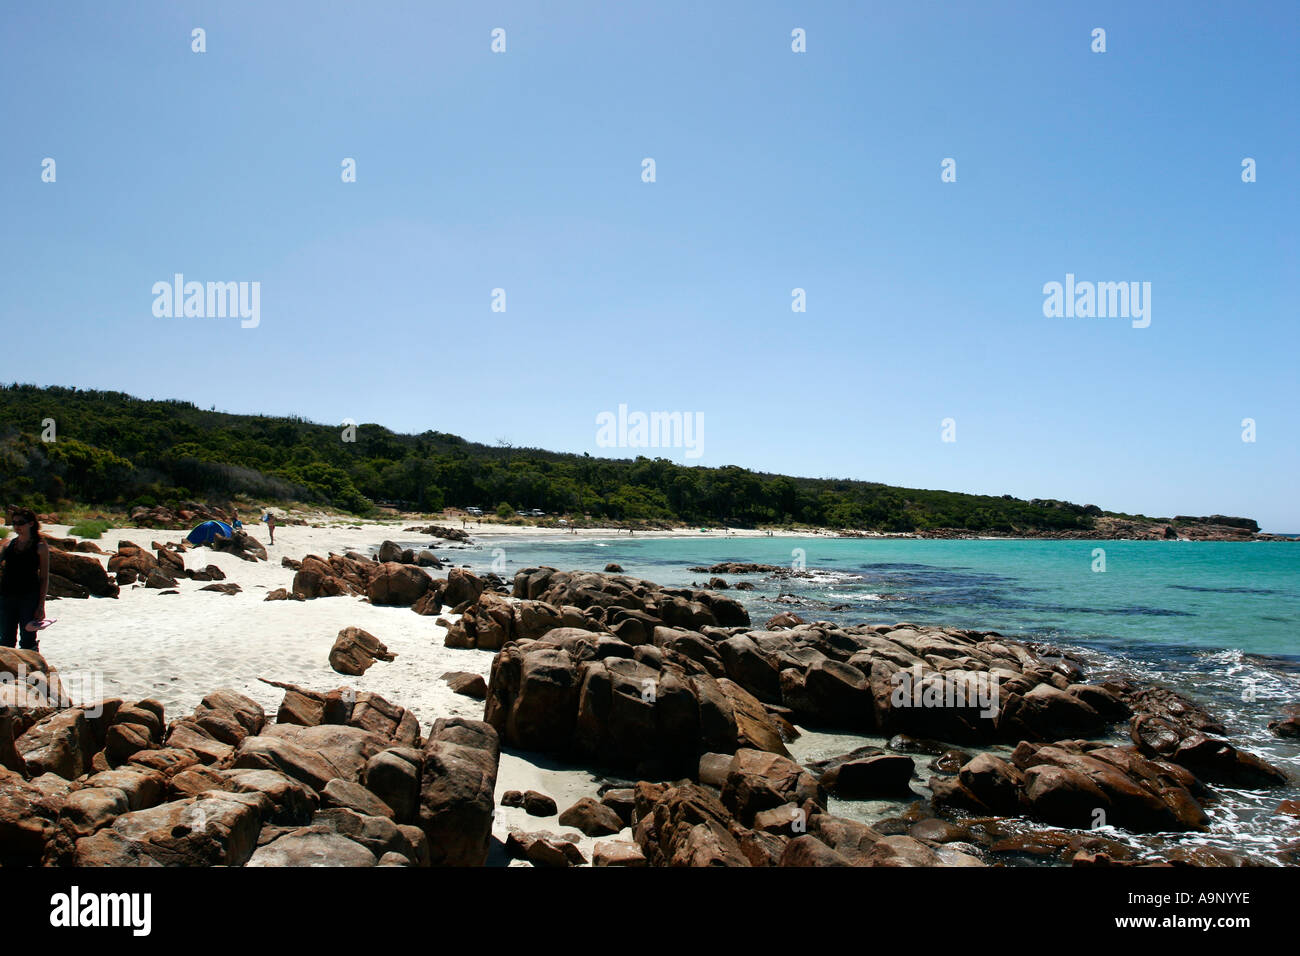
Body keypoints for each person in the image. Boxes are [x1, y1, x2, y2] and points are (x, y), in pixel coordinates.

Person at [1, 508, 50, 650]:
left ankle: (26, 672)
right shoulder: (8, 545)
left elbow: (44, 578)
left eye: (21, 523)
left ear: (31, 524)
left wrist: (41, 605)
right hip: (6, 597)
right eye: (14, 523)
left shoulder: (40, 546)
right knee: (6, 641)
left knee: (28, 641)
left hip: (29, 598)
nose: (17, 527)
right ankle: (7, 672)